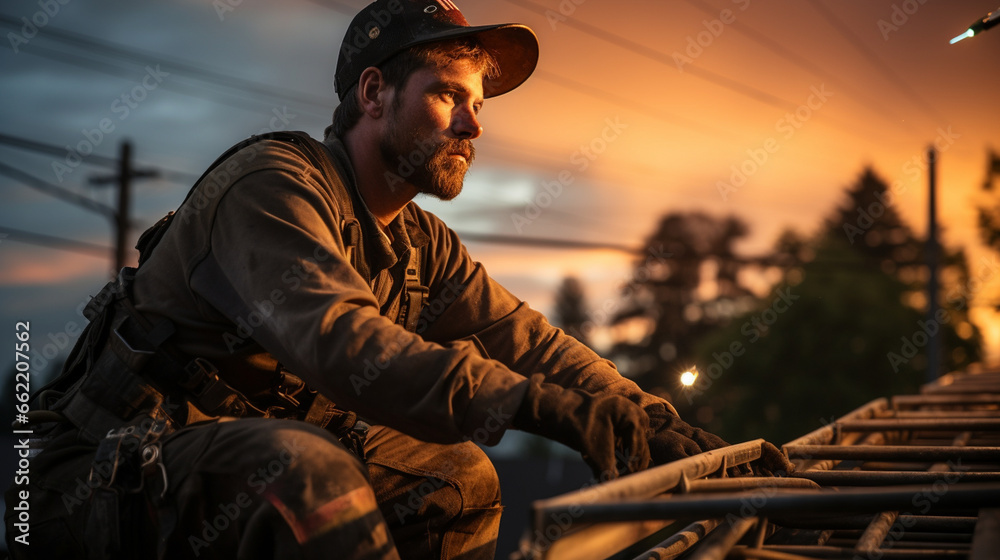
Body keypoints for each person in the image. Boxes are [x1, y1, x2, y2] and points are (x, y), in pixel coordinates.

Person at [5, 1, 791, 558]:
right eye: (450, 96)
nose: (474, 125)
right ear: (374, 93)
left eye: (477, 105)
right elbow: (346, 344)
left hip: (217, 460)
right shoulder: (271, 187)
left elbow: (533, 345)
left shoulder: (420, 243)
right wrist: (526, 406)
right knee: (307, 475)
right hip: (104, 471)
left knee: (459, 477)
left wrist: (656, 423)